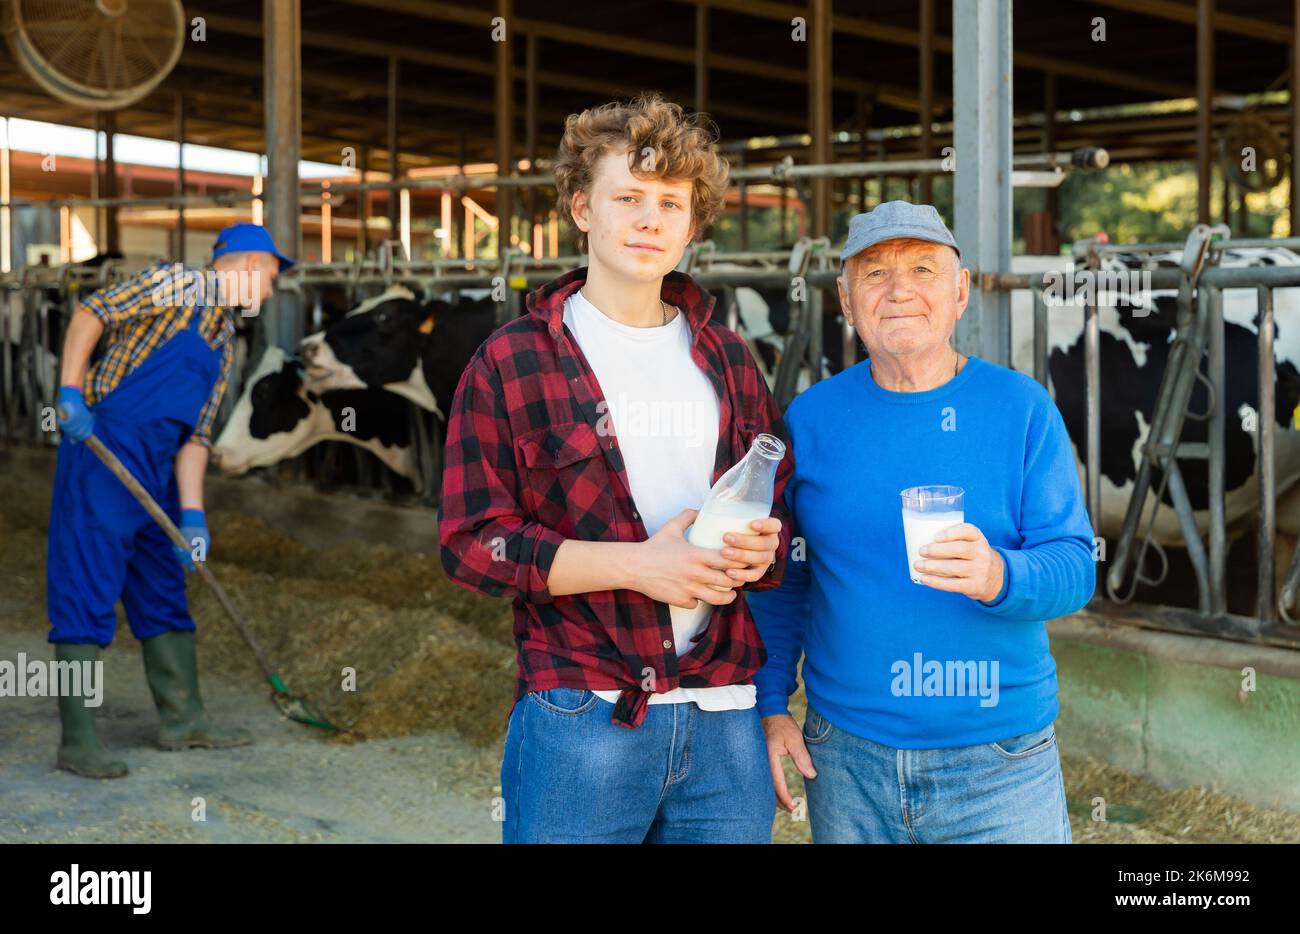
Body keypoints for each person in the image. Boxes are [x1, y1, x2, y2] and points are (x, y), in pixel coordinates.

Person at [439, 94, 794, 843]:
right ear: (580, 209)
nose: (649, 219)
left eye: (671, 203)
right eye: (627, 196)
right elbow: (472, 543)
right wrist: (638, 566)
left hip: (723, 713)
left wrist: (761, 549)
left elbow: (773, 516)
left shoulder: (728, 358)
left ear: (692, 225)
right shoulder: (512, 360)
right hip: (583, 707)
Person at [750, 201, 1096, 843]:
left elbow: (1075, 566)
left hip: (998, 761)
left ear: (960, 292)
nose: (900, 289)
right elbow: (787, 580)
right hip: (845, 759)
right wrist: (771, 703)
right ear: (846, 302)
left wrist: (999, 574)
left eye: (924, 268)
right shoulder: (812, 417)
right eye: (875, 273)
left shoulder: (1020, 408)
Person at [49, 223, 294, 778]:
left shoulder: (224, 339)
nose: (272, 290)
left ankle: (184, 719)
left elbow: (197, 437)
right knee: (86, 584)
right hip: (103, 447)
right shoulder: (176, 283)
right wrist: (70, 390)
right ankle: (78, 740)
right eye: (272, 277)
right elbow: (94, 312)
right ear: (246, 264)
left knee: (162, 584)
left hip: (159, 467)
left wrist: (192, 515)